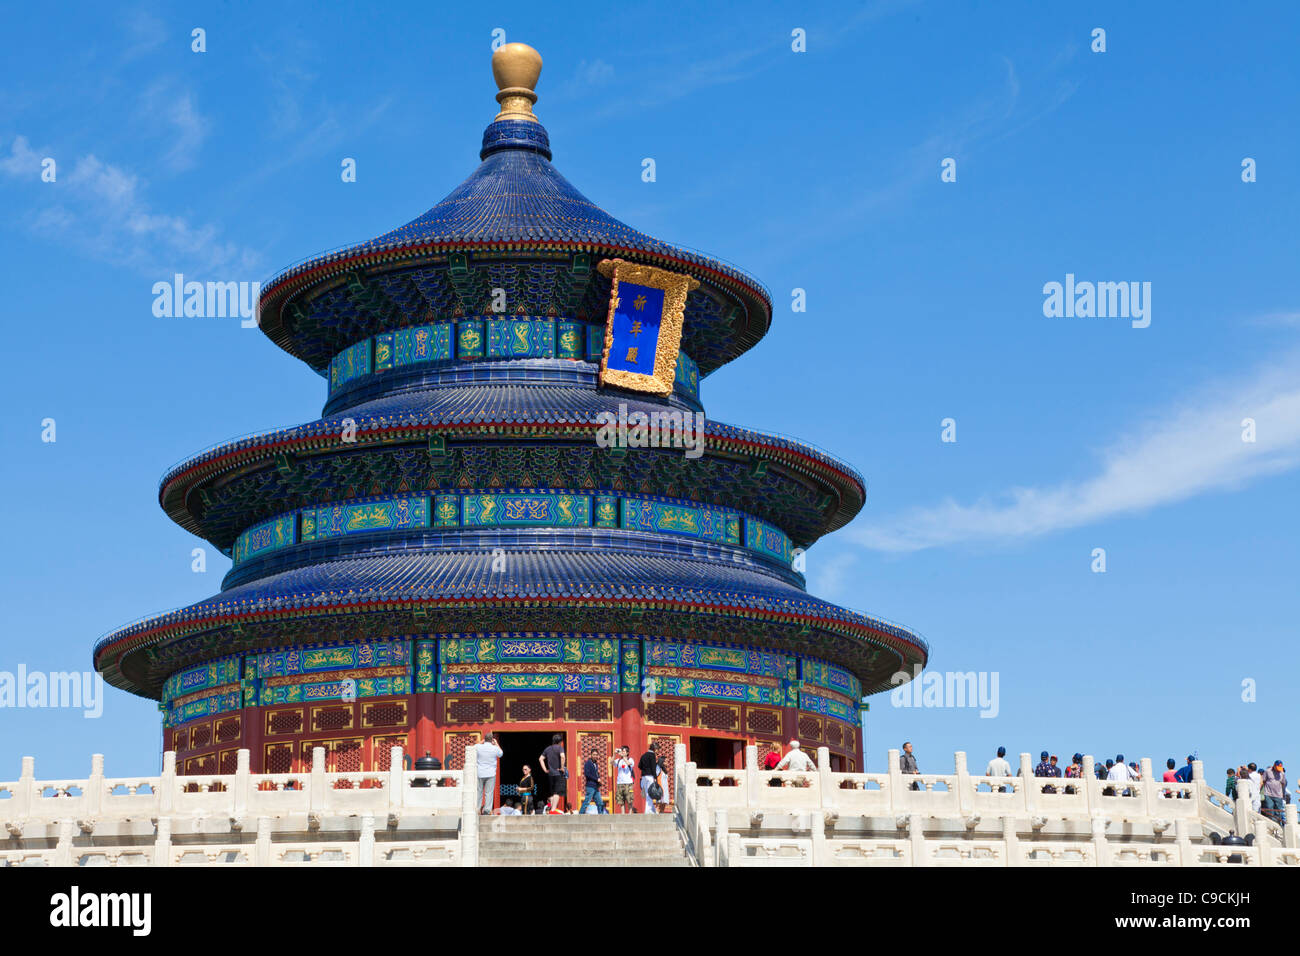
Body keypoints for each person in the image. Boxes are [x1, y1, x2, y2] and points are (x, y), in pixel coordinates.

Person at [475, 732, 503, 815]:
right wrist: (496, 743)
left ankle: (477, 808)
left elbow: (472, 747)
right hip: (490, 773)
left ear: (484, 739)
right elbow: (501, 754)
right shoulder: (494, 748)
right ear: (492, 740)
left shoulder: (479, 747)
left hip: (480, 773)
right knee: (489, 792)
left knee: (479, 791)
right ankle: (487, 810)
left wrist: (481, 742)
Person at [539, 733, 566, 812]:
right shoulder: (560, 748)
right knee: (557, 793)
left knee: (553, 792)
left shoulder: (548, 749)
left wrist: (545, 770)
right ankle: (553, 809)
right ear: (559, 741)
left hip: (550, 774)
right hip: (558, 773)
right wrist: (562, 767)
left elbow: (540, 759)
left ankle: (551, 808)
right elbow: (562, 756)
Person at [578, 749, 608, 814]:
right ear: (591, 755)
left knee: (600, 802)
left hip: (596, 786)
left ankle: (601, 816)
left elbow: (596, 774)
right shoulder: (588, 763)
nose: (595, 756)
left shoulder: (596, 764)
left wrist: (599, 779)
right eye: (594, 754)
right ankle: (580, 815)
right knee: (587, 801)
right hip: (590, 786)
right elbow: (587, 774)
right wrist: (596, 779)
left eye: (596, 755)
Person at [614, 746, 636, 813]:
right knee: (621, 800)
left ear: (627, 752)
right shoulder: (618, 761)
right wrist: (614, 754)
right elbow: (611, 762)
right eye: (622, 751)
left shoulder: (630, 759)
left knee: (629, 799)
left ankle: (629, 813)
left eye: (624, 751)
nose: (622, 752)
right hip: (620, 782)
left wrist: (623, 757)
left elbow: (629, 764)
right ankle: (622, 813)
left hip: (628, 782)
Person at [639, 743, 659, 813]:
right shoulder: (652, 755)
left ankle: (652, 809)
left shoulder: (643, 755)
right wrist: (655, 777)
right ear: (654, 749)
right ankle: (647, 810)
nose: (657, 751)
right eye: (657, 749)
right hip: (650, 776)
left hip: (644, 776)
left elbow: (639, 766)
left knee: (647, 793)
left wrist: (645, 768)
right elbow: (653, 767)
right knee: (650, 793)